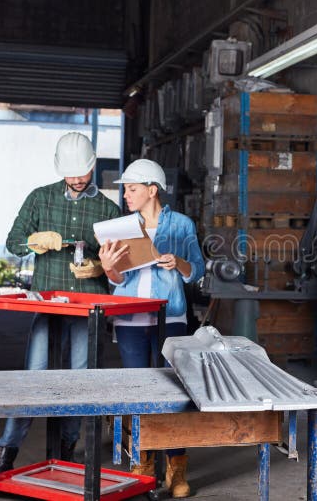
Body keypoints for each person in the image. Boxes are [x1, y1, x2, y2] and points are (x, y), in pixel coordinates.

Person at [0, 132, 120, 474]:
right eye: (70, 173)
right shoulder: (40, 199)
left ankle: (65, 453)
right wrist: (34, 241)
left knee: (81, 379)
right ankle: (5, 454)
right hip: (48, 303)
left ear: (92, 166)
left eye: (83, 173)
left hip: (86, 307)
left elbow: (120, 267)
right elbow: (13, 243)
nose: (77, 180)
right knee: (34, 376)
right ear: (60, 169)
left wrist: (99, 268)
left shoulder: (108, 209)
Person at [97, 158, 204, 498]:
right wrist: (108, 267)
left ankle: (176, 468)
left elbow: (197, 270)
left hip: (169, 317)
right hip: (130, 318)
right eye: (125, 189)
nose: (126, 195)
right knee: (137, 391)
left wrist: (180, 262)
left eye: (132, 188)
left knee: (173, 394)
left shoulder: (182, 225)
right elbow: (117, 278)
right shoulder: (122, 227)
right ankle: (141, 466)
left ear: (152, 190)